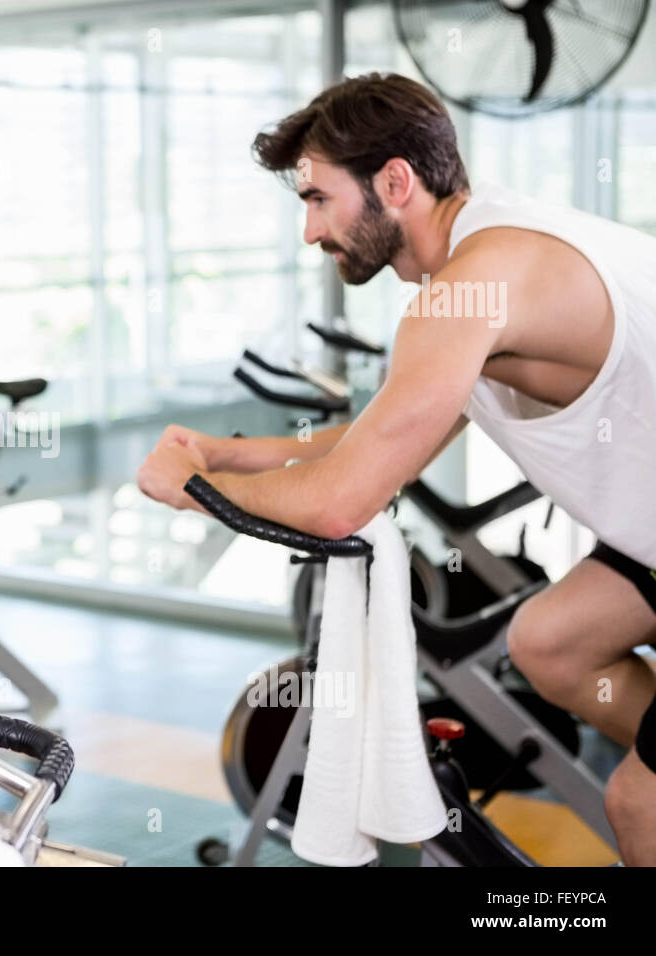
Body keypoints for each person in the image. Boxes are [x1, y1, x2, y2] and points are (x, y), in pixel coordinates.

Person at [137, 72, 656, 865]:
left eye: (317, 199)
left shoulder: (479, 283)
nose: (309, 233)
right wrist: (219, 453)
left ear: (394, 181)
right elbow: (372, 439)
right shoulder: (479, 267)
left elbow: (342, 500)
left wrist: (196, 493)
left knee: (640, 799)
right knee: (551, 643)